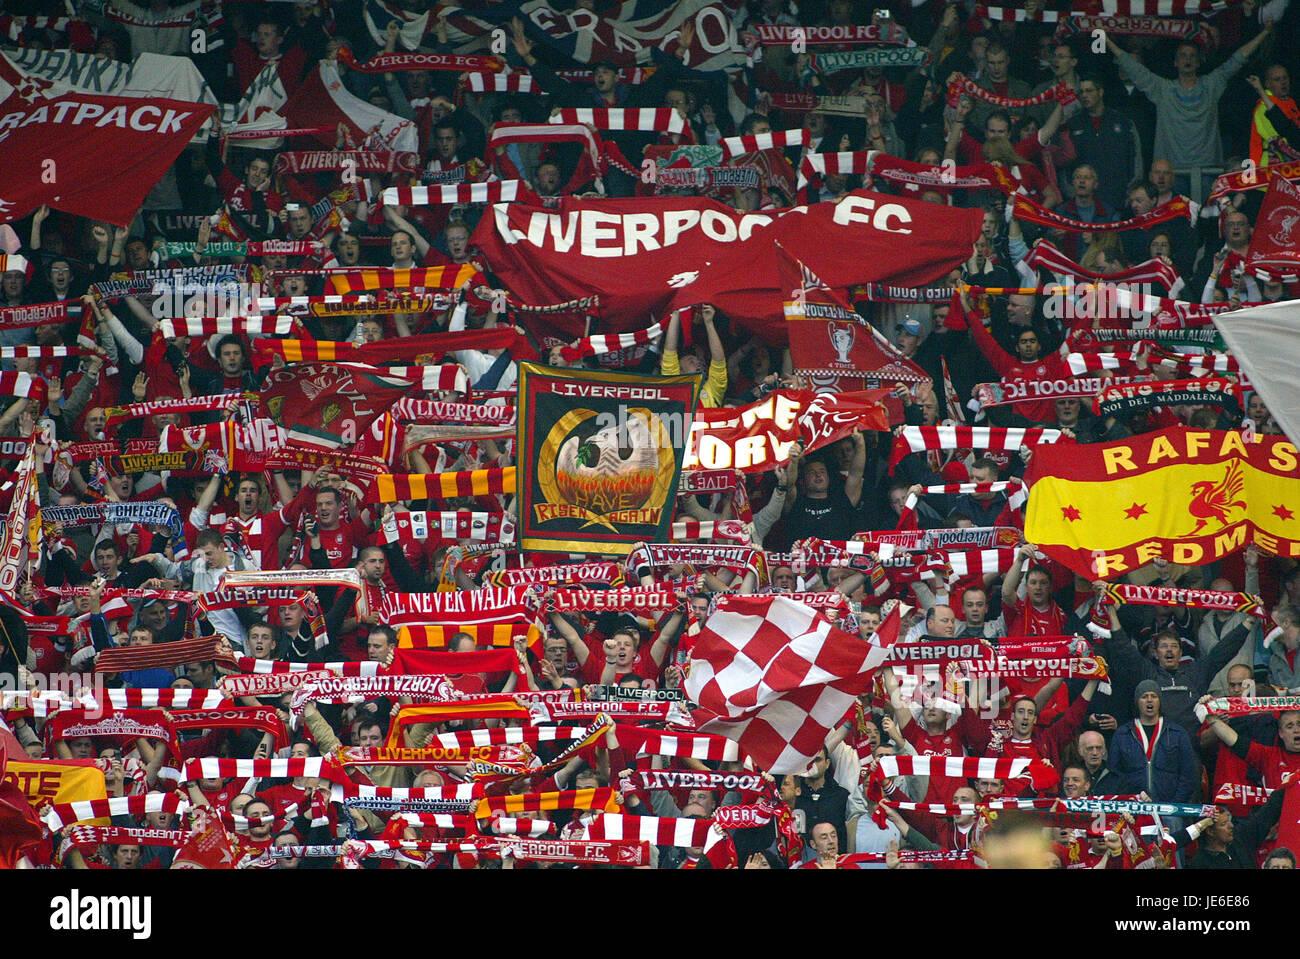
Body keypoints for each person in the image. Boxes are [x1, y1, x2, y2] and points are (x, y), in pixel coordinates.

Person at [1107, 680, 1200, 802]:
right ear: (1137, 702)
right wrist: (1128, 800)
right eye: (1144, 697)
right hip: (1134, 807)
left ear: (1160, 701)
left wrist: (1175, 804)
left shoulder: (1177, 733)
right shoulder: (1123, 734)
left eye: (1154, 696)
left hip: (1170, 808)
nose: (1149, 700)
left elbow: (1188, 774)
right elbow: (1114, 774)